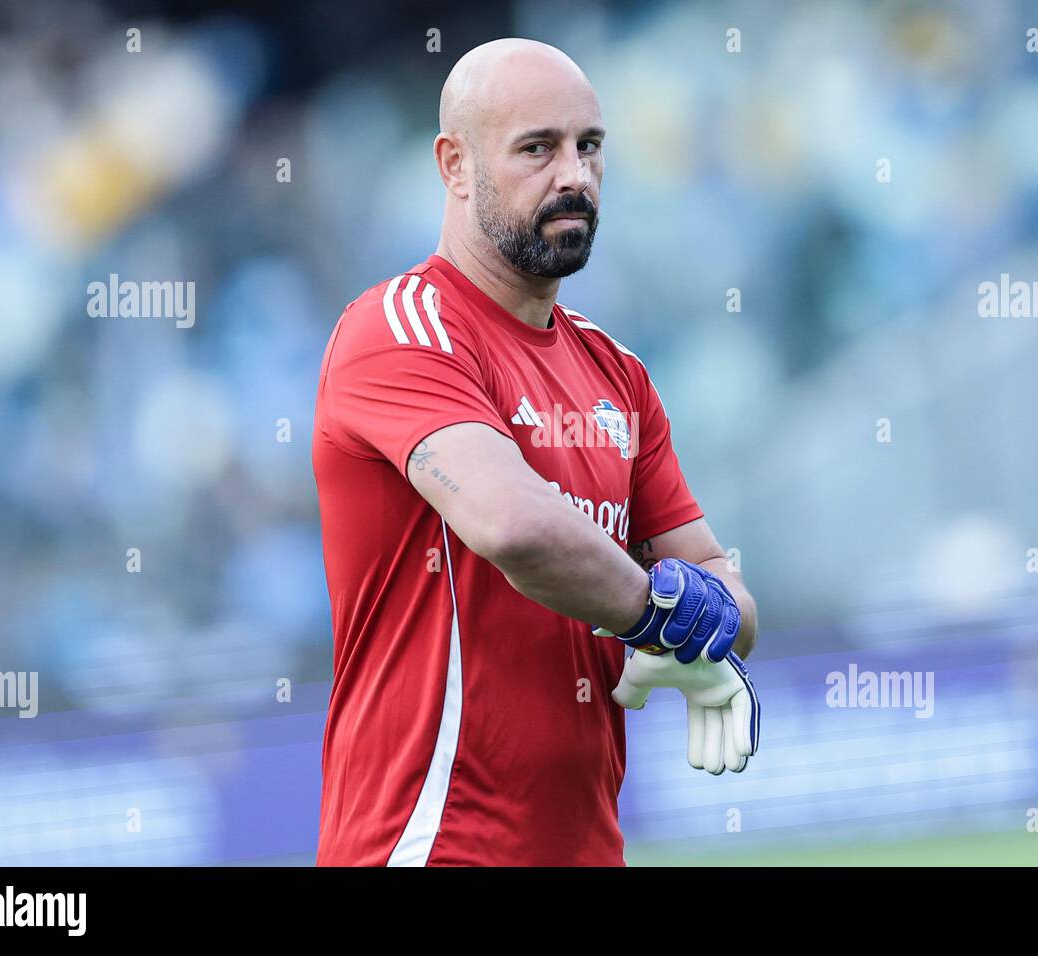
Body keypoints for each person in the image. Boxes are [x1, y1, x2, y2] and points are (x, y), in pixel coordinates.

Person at [313, 38, 759, 867]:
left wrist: (705, 622)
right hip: (427, 847)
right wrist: (666, 616)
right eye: (537, 149)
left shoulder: (618, 374)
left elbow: (729, 591)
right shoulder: (400, 329)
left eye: (589, 147)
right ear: (455, 165)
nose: (575, 177)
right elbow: (515, 526)